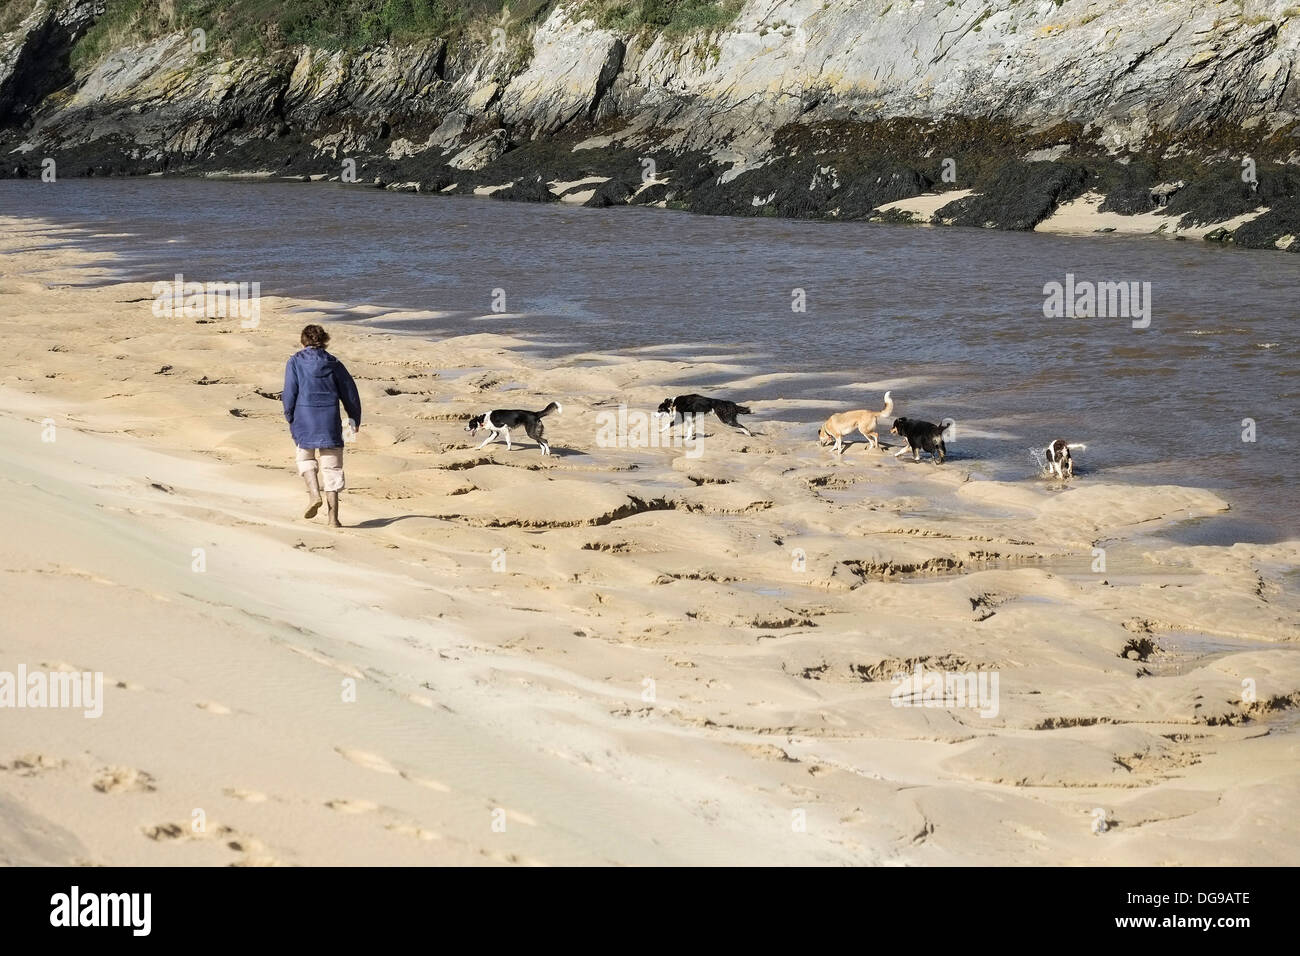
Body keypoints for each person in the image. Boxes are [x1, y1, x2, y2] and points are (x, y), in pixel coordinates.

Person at [282, 324, 361, 528]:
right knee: (332, 468)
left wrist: (290, 416)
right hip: (330, 420)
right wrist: (354, 419)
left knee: (305, 458)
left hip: (304, 418)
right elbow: (350, 393)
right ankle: (333, 519)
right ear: (324, 340)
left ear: (303, 341)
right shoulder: (334, 363)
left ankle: (314, 494)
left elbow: (289, 392)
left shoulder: (295, 362)